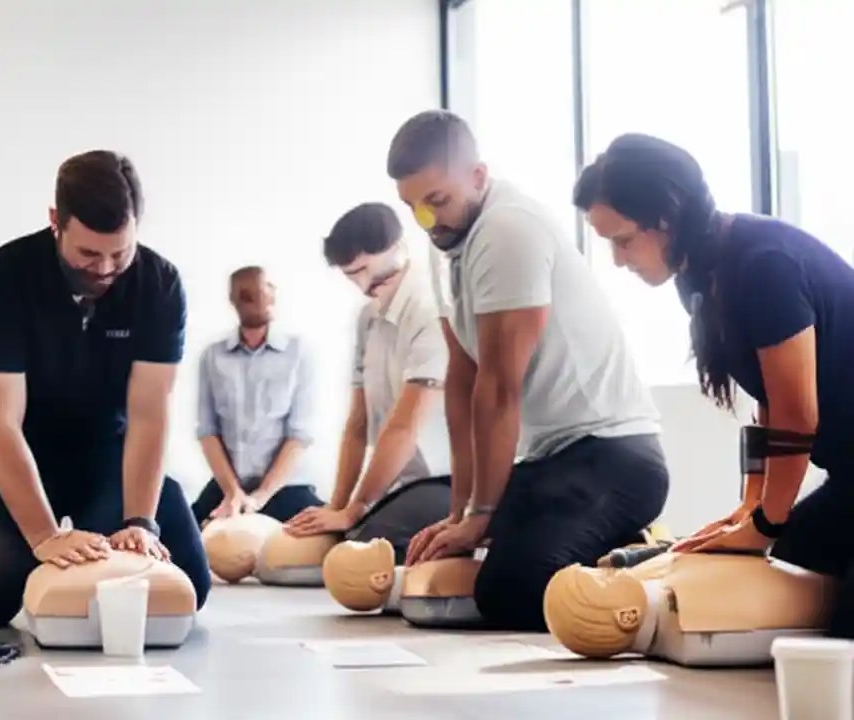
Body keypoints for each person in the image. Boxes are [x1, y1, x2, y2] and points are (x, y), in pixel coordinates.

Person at [389, 110, 670, 631]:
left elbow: (498, 390)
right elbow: (463, 379)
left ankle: (649, 560)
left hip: (615, 457)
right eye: (414, 208)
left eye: (437, 202)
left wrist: (479, 518)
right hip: (551, 463)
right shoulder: (446, 240)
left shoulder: (507, 230)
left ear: (477, 177)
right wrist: (462, 512)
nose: (428, 221)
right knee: (422, 548)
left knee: (510, 590)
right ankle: (605, 546)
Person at [575, 132, 854, 637]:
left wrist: (767, 521)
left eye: (623, 240)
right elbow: (768, 403)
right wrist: (751, 508)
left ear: (667, 217)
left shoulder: (762, 264)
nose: (618, 260)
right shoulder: (700, 276)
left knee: (842, 625)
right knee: (791, 558)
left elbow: (797, 413)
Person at [0, 150, 210, 627]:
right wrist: (44, 536)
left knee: (182, 583)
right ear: (54, 222)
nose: (104, 269)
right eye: (88, 254)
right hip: (15, 441)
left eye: (119, 254)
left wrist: (139, 522)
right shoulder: (2, 277)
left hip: (105, 448)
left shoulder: (159, 285)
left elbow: (149, 413)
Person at [283, 203, 454, 563]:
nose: (362, 285)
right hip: (396, 485)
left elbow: (404, 427)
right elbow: (358, 425)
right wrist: (337, 505)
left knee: (356, 552)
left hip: (445, 481)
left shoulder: (430, 309)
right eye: (350, 275)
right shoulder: (368, 319)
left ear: (397, 247)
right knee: (338, 540)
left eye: (364, 269)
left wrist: (355, 509)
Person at [189, 266, 325, 524]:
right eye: (247, 294)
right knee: (181, 540)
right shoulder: (213, 357)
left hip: (287, 486)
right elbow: (207, 431)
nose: (259, 299)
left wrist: (260, 498)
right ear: (234, 300)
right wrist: (232, 492)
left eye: (265, 290)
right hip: (230, 486)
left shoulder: (300, 353)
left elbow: (299, 435)